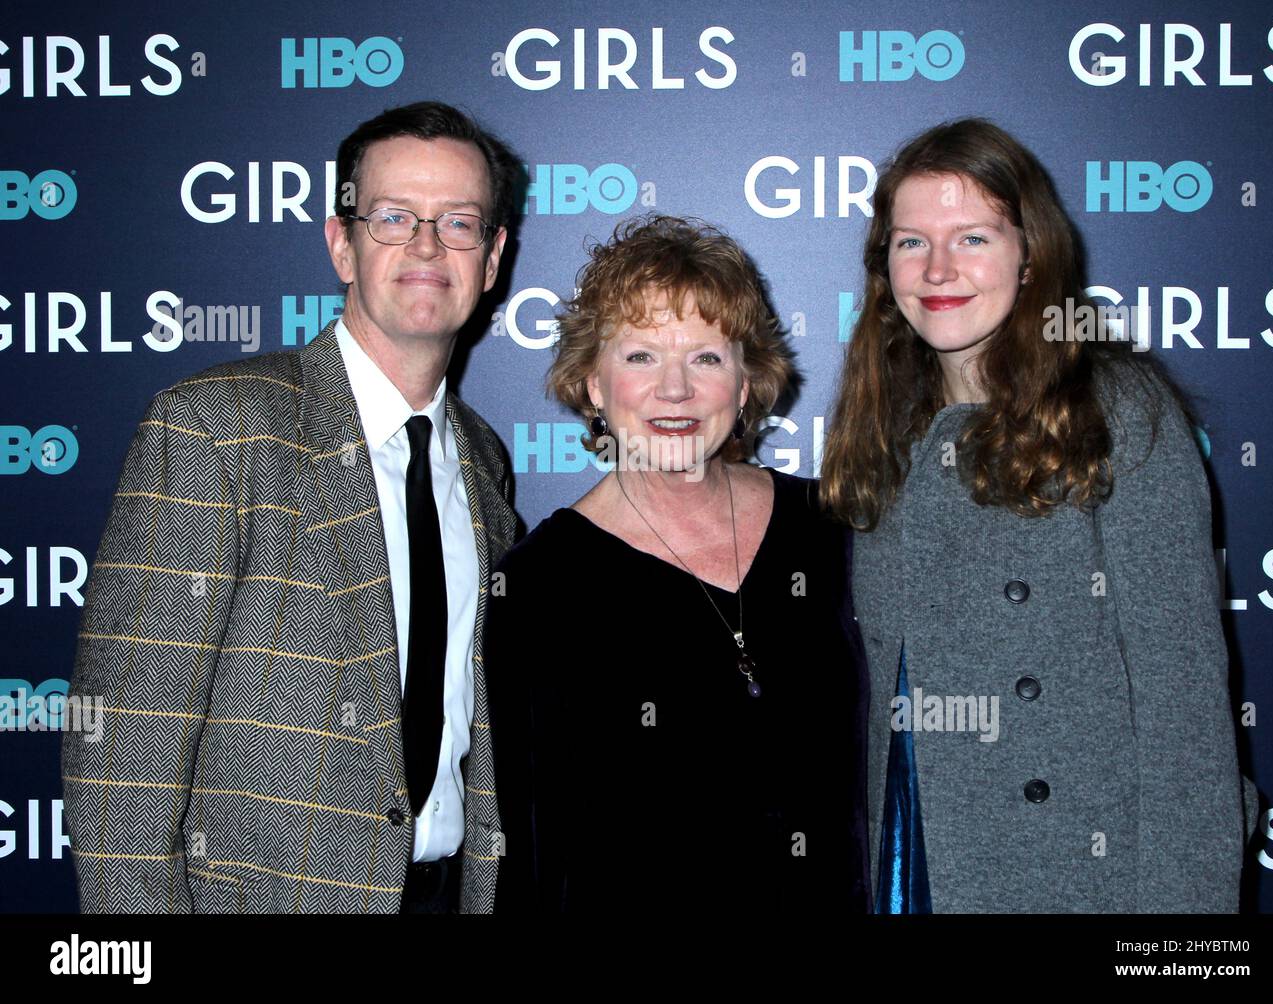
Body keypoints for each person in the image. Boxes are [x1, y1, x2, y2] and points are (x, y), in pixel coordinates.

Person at [62, 101, 522, 914]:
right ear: (341, 243)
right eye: (393, 217)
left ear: (492, 260)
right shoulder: (215, 428)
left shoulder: (483, 462)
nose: (425, 245)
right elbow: (124, 753)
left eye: (458, 222)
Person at [820, 118, 1255, 913]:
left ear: (1031, 255)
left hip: (1081, 873)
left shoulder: (1118, 410)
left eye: (974, 238)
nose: (939, 268)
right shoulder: (877, 427)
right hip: (915, 853)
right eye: (911, 242)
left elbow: (1183, 706)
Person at [485, 215, 870, 913]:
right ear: (593, 386)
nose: (675, 390)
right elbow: (535, 851)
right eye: (640, 357)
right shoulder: (541, 586)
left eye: (706, 357)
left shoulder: (834, 529)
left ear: (747, 383)